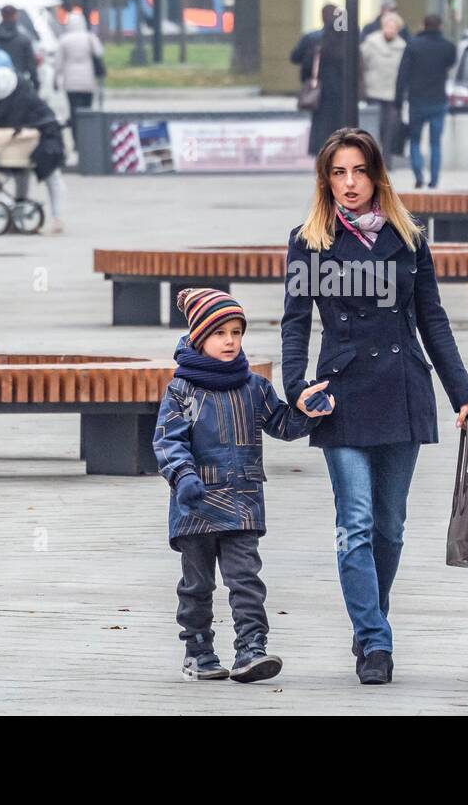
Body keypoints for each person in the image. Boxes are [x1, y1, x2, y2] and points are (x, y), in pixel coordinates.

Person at [280, 127, 468, 685]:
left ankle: (371, 621)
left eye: (359, 172)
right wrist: (296, 385)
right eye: (338, 173)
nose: (349, 183)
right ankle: (375, 642)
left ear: (376, 176)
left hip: (402, 391)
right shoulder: (308, 241)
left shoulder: (409, 237)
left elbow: (432, 319)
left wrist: (461, 393)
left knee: (390, 528)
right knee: (357, 525)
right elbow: (296, 321)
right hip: (340, 397)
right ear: (326, 180)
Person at [154, 287, 334, 682]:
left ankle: (252, 648)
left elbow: (281, 424)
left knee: (246, 580)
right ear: (200, 337)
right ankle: (198, 649)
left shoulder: (254, 386)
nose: (230, 341)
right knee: (197, 584)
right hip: (196, 506)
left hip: (242, 504)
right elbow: (167, 441)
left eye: (236, 332)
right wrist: (183, 477)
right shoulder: (182, 390)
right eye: (220, 333)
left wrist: (308, 413)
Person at [0, 67, 69, 234]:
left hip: (45, 136)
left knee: (50, 174)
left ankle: (56, 217)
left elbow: (1, 122)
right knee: (22, 171)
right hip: (34, 135)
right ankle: (22, 217)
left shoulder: (15, 99)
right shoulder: (15, 85)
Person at [395, 14, 457, 188]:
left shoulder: (413, 45)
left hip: (417, 100)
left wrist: (398, 99)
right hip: (438, 100)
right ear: (441, 26)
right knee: (435, 142)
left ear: (423, 25)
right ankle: (434, 179)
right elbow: (450, 64)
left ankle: (418, 176)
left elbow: (403, 74)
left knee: (415, 140)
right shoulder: (448, 47)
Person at [291, 5, 346, 155]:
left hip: (322, 93)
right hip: (344, 93)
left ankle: (323, 160)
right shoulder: (348, 43)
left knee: (322, 130)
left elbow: (297, 59)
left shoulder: (313, 40)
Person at [359, 11, 407, 163]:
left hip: (393, 93)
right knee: (374, 127)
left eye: (394, 27)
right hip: (374, 91)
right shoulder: (370, 43)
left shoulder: (402, 46)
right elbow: (362, 64)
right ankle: (373, 159)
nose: (390, 29)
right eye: (388, 26)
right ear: (382, 26)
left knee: (390, 128)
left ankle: (387, 159)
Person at [56, 11, 104, 153]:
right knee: (87, 111)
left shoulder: (64, 39)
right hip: (87, 81)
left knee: (74, 112)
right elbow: (99, 53)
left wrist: (56, 78)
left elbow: (58, 62)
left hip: (71, 81)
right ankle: (86, 140)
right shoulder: (89, 37)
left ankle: (76, 141)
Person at [0, 5, 40, 90]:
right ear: (15, 15)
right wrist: (35, 82)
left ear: (1, 15)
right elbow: (31, 63)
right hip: (17, 81)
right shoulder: (23, 39)